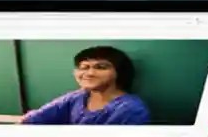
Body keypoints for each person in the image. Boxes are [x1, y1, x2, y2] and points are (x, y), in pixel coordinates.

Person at [20, 46, 151, 125]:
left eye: (100, 67)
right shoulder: (75, 98)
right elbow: (35, 119)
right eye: (84, 67)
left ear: (119, 72)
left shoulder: (130, 109)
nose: (89, 73)